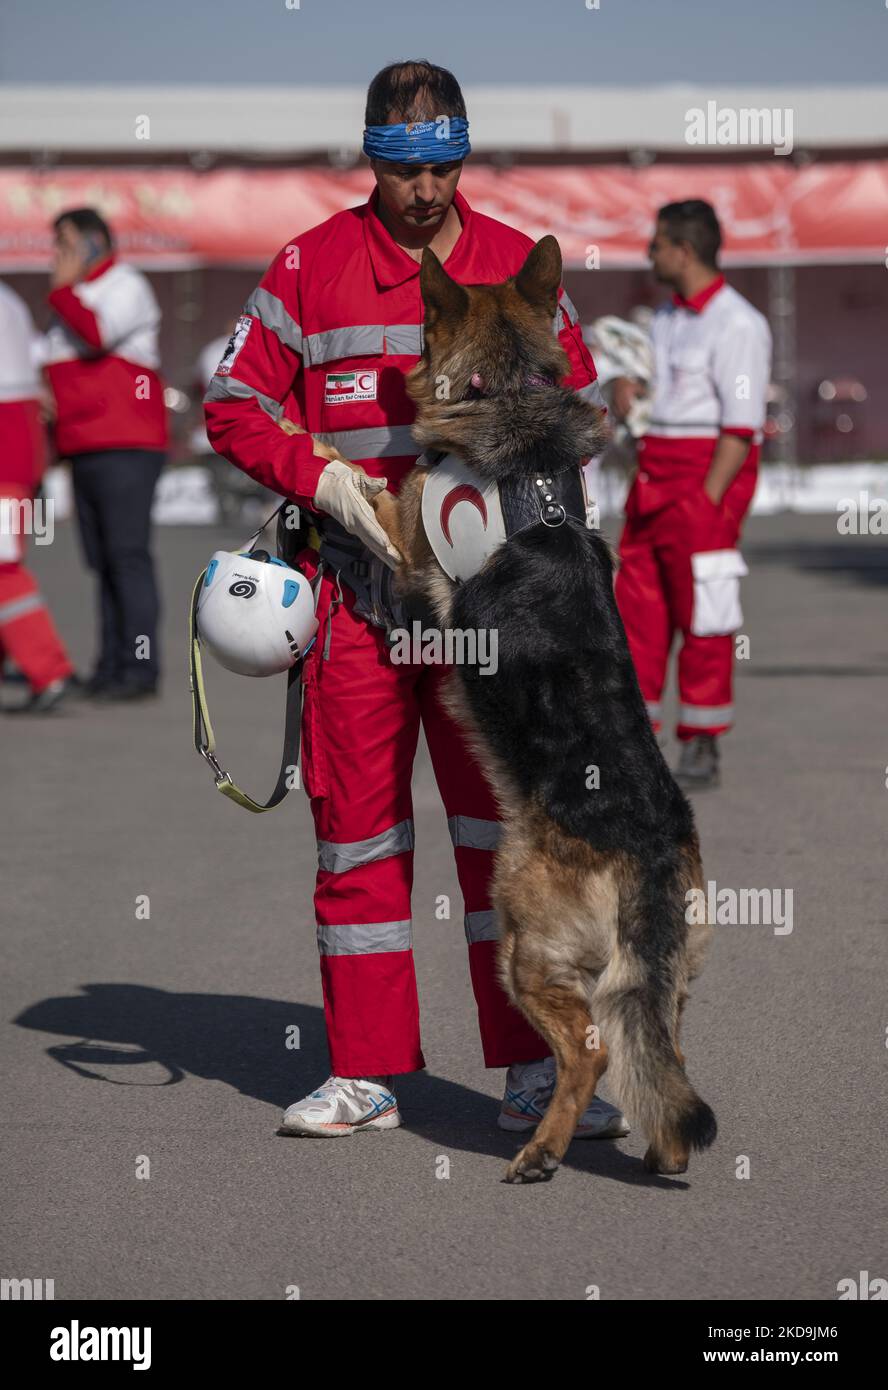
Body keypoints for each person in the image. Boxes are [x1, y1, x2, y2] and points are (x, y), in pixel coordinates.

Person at [206, 60, 627, 1141]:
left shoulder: (511, 266)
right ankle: (367, 1071)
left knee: (507, 841)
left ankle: (538, 1072)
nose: (428, 190)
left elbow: (570, 400)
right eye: (405, 169)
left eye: (445, 165)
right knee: (357, 835)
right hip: (357, 600)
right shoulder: (310, 268)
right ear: (369, 157)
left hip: (492, 611)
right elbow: (235, 403)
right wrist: (326, 477)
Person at [612, 200, 772, 789]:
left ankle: (703, 742)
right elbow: (650, 392)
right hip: (654, 480)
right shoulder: (664, 318)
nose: (649, 253)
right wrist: (626, 389)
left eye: (656, 243)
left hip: (705, 481)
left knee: (706, 614)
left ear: (683, 250)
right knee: (636, 616)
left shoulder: (739, 323)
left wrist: (708, 502)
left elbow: (741, 428)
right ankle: (638, 741)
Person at [40, 208, 168, 700]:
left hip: (125, 444)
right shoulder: (70, 296)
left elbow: (96, 335)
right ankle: (111, 665)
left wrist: (61, 288)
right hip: (84, 445)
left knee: (126, 556)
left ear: (94, 242)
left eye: (65, 244)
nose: (58, 256)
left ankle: (139, 668)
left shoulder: (124, 284)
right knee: (102, 562)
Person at [0, 278, 76, 713]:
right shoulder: (10, 300)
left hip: (6, 450)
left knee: (4, 570)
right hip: (18, 445)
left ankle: (48, 671)